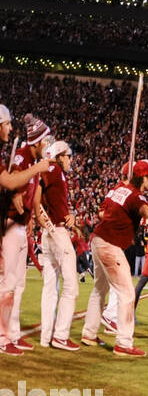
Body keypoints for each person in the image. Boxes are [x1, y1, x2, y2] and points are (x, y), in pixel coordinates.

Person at [81, 159, 148, 357]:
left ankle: (89, 333)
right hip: (109, 244)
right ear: (142, 177)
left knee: (99, 289)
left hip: (97, 239)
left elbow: (103, 211)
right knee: (127, 293)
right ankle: (123, 343)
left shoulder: (117, 190)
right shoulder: (135, 195)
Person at [0, 105, 53, 355]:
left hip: (21, 225)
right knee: (7, 283)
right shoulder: (22, 157)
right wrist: (13, 195)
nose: (10, 128)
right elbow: (11, 180)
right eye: (7, 124)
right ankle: (2, 336)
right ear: (37, 142)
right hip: (9, 225)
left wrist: (31, 216)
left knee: (18, 284)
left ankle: (12, 333)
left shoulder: (30, 159)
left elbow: (27, 191)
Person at [35, 141, 80, 350]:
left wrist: (69, 215)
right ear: (60, 155)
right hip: (56, 232)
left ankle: (46, 336)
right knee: (71, 286)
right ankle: (60, 335)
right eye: (69, 155)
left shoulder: (55, 172)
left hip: (50, 231)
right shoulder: (53, 169)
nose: (71, 159)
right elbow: (37, 187)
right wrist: (38, 212)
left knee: (50, 287)